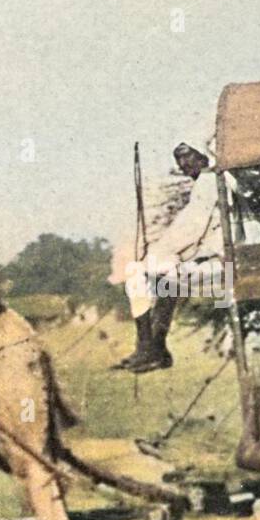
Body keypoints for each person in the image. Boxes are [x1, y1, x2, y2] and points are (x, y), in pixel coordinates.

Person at [109, 142, 225, 373]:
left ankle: (150, 348)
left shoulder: (209, 183)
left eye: (186, 156)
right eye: (178, 159)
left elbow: (191, 228)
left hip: (224, 261)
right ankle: (154, 348)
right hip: (217, 257)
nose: (182, 165)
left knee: (141, 274)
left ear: (202, 155)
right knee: (163, 276)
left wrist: (158, 252)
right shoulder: (212, 181)